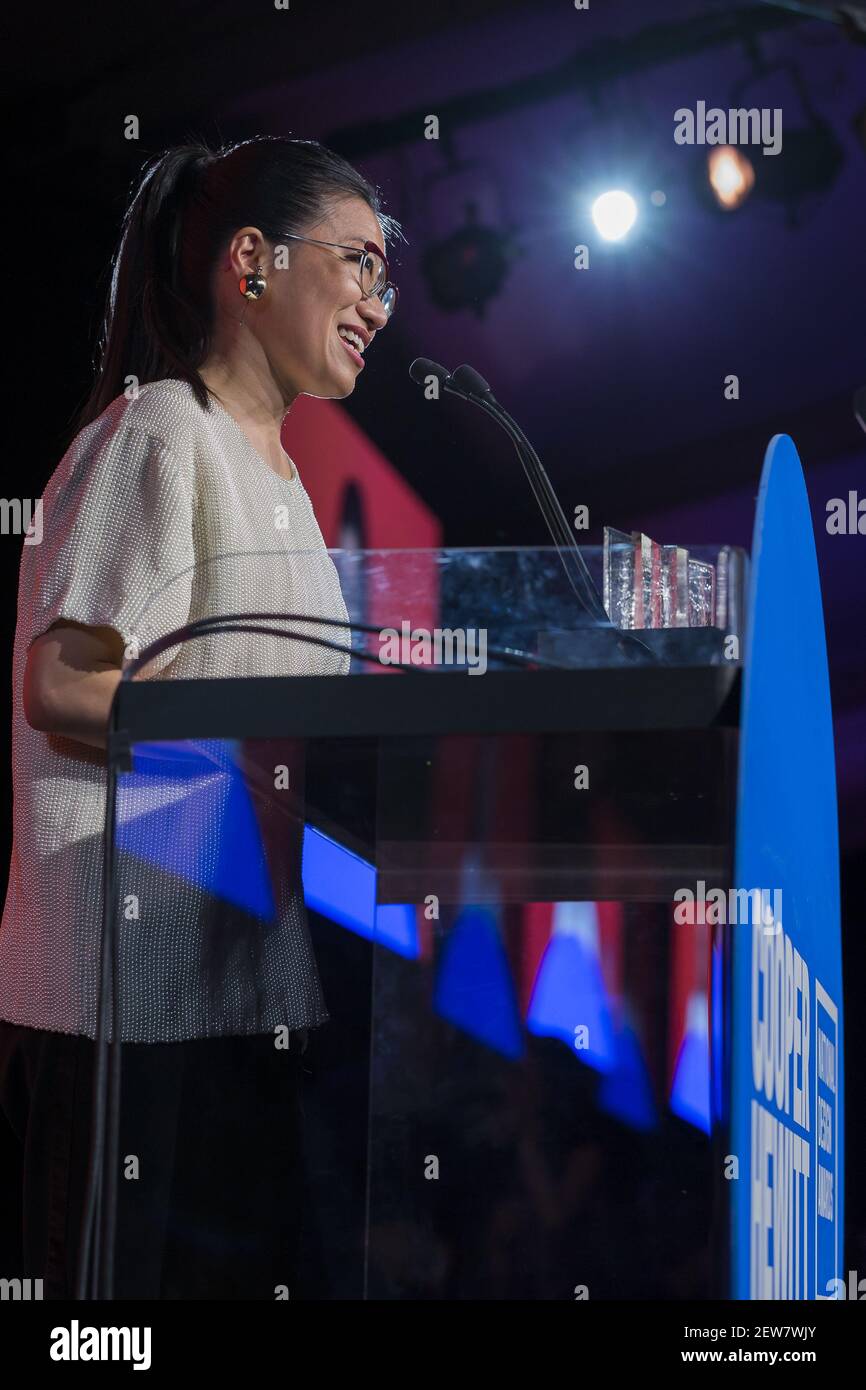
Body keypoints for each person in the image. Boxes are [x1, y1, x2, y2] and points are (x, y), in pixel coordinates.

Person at [0, 135, 400, 1298]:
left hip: (240, 986)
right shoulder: (159, 431)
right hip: (125, 1008)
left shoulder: (281, 478)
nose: (377, 303)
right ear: (252, 262)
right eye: (358, 264)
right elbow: (61, 685)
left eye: (385, 277)